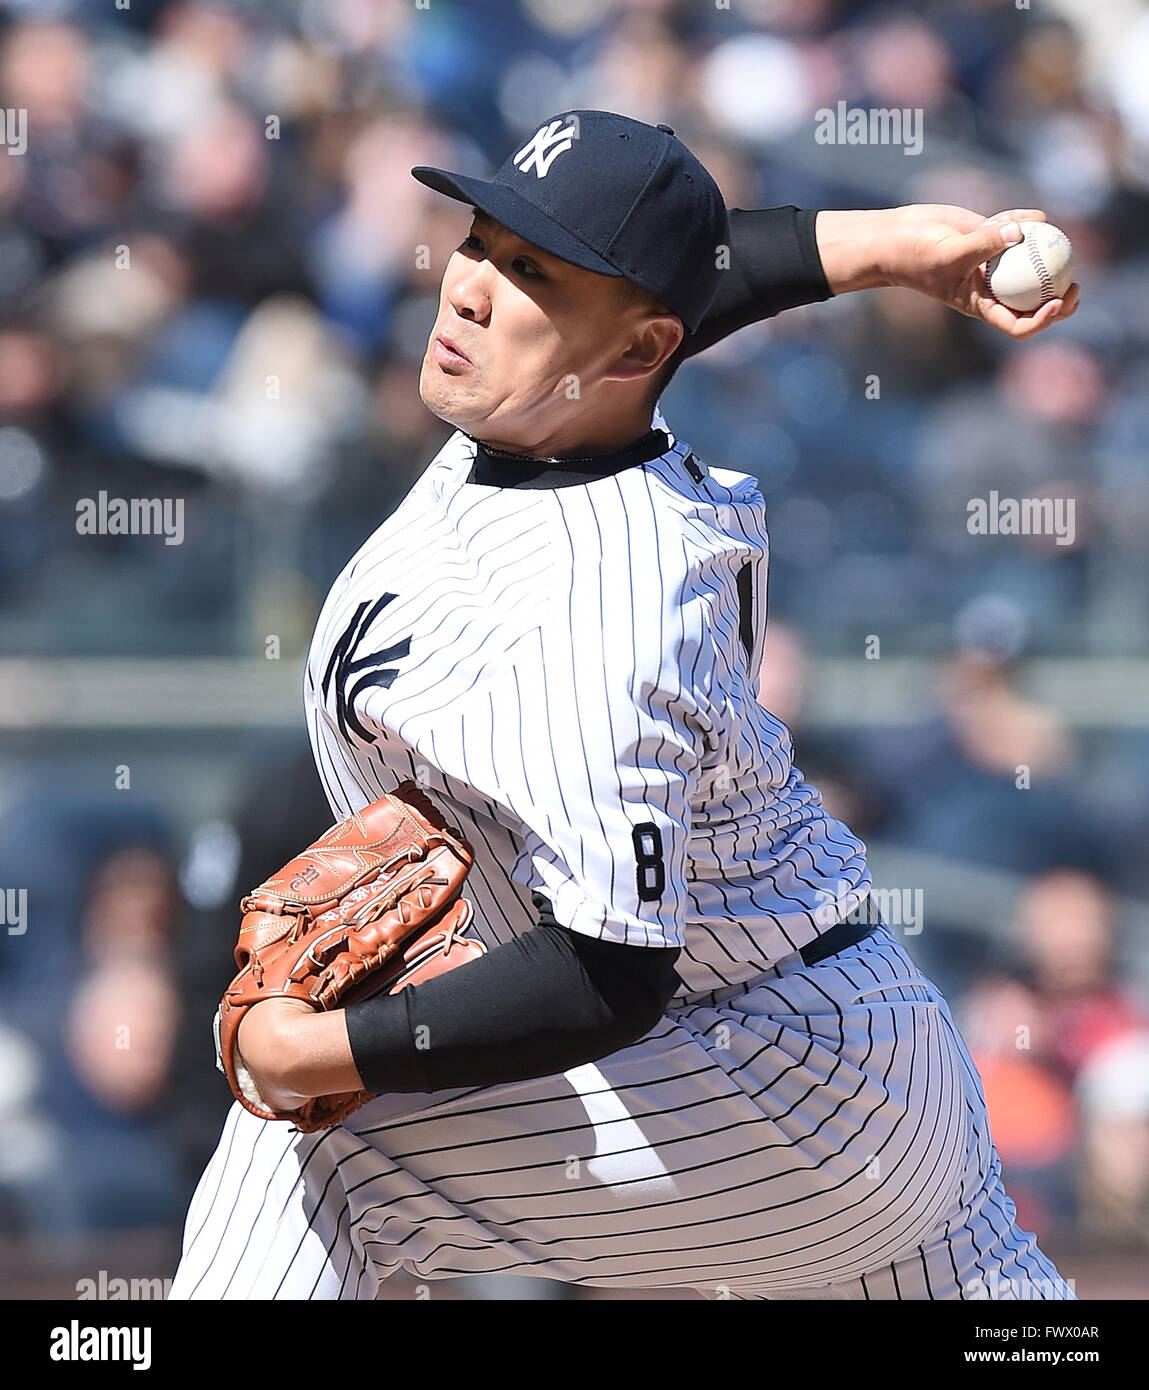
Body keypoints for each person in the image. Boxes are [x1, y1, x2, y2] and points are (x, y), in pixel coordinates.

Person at [170, 111, 1078, 1301]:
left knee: (330, 1147)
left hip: (765, 1074)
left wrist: (329, 1050)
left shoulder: (602, 605)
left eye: (530, 269)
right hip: (840, 1053)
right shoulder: (568, 400)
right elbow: (704, 277)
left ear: (640, 346)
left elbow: (607, 973)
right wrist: (888, 246)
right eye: (481, 238)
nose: (471, 288)